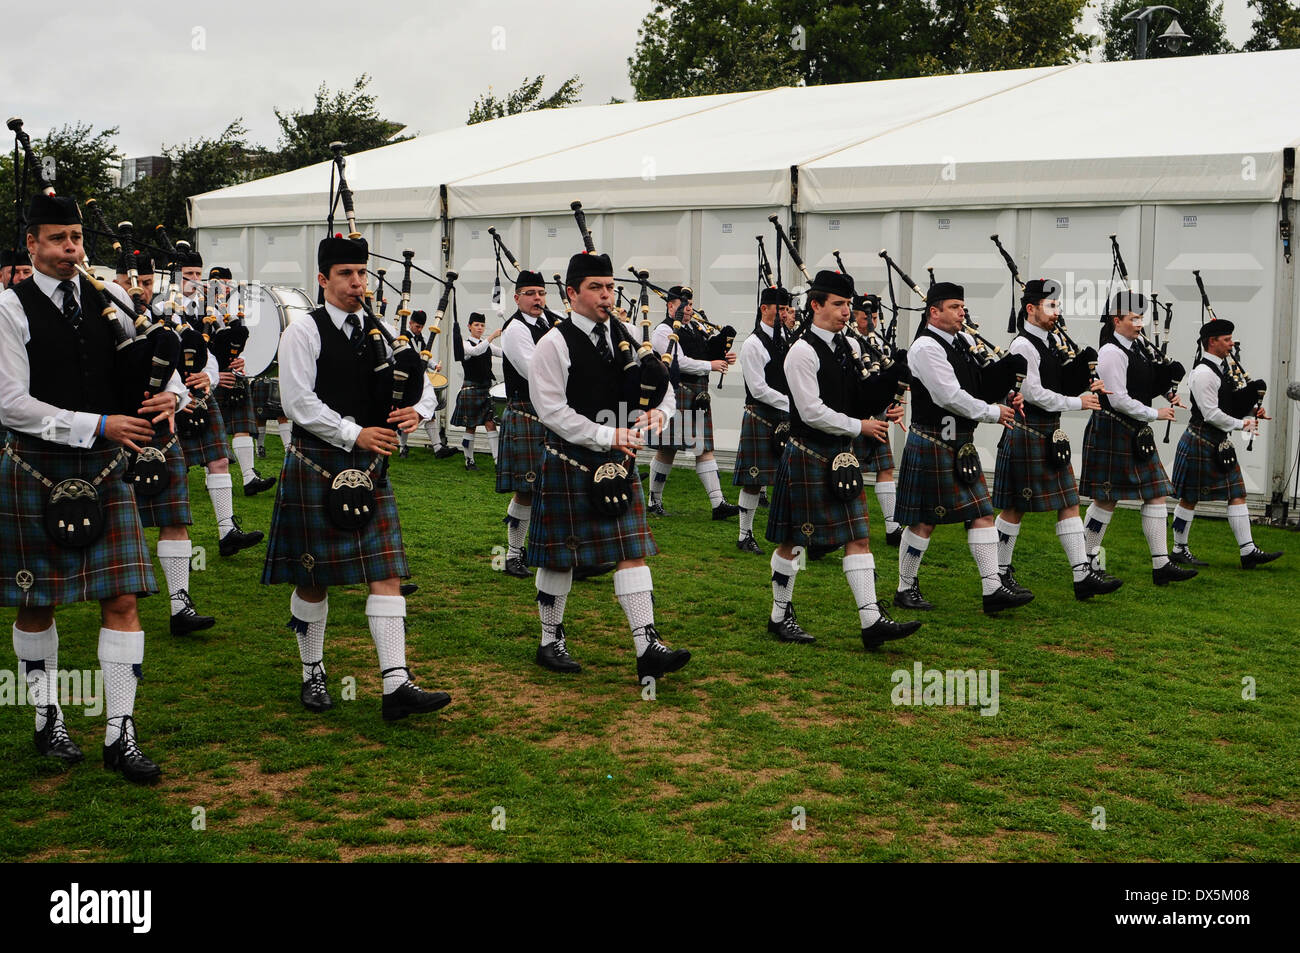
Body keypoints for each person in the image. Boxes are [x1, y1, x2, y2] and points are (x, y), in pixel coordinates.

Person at [1, 193, 184, 782]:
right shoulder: (10, 308)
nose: (70, 249)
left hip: (104, 471)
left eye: (76, 238)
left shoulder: (112, 300)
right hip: (38, 466)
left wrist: (169, 397)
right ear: (31, 244)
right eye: (57, 239)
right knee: (37, 602)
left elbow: (159, 360)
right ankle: (46, 713)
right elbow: (10, 403)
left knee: (124, 600)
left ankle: (119, 731)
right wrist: (98, 424)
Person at [262, 235, 450, 720]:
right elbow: (297, 402)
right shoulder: (303, 331)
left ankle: (396, 683)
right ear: (323, 279)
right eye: (346, 274)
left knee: (385, 572)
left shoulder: (382, 330)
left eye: (362, 274)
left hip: (368, 471)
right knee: (313, 578)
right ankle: (313, 671)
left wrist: (418, 412)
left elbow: (424, 382)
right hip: (317, 465)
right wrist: (355, 433)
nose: (357, 283)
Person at [526, 250, 690, 680]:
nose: (606, 295)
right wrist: (607, 434)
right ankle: (550, 639)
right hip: (570, 459)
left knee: (631, 551)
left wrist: (662, 413)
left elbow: (662, 385)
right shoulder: (554, 343)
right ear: (572, 293)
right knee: (561, 557)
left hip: (618, 461)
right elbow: (551, 410)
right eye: (596, 288)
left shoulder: (629, 336)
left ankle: (647, 645)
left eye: (611, 287)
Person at [765, 270, 922, 649]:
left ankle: (871, 620)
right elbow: (811, 411)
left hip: (840, 457)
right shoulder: (801, 352)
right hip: (808, 455)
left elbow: (854, 395)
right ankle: (779, 614)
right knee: (794, 544)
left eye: (848, 305)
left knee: (859, 538)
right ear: (815, 305)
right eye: (838, 304)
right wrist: (860, 426)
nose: (845, 312)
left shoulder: (846, 346)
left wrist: (890, 385)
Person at [893, 282, 1033, 614]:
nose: (962, 312)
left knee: (982, 514)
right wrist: (993, 413)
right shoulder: (926, 348)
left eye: (962, 306)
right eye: (955, 307)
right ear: (934, 312)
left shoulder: (963, 341)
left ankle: (992, 589)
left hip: (959, 442)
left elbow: (978, 384)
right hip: (932, 439)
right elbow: (949, 396)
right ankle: (905, 587)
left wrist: (1005, 394)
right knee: (923, 522)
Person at [991, 279, 1120, 600]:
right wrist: (1080, 402)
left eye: (1057, 306)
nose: (1056, 312)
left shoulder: (1051, 343)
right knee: (1014, 508)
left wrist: (1086, 376)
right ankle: (999, 572)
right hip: (1028, 431)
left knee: (1068, 503)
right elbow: (1032, 393)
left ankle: (1082, 575)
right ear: (1030, 309)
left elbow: (1059, 383)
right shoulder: (1023, 345)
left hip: (1050, 433)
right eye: (1050, 306)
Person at [111, 249, 216, 635]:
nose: (136, 291)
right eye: (127, 284)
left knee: (174, 517)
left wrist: (177, 396)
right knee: (122, 525)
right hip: (112, 431)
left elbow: (187, 363)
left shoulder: (159, 318)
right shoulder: (100, 320)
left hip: (158, 427)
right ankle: (120, 602)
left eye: (142, 283)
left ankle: (180, 606)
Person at [1079, 291, 1198, 586]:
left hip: (1134, 431)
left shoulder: (1138, 349)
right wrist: (1155, 414)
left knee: (1156, 494)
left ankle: (1162, 565)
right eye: (1133, 318)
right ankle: (1086, 561)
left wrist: (1168, 390)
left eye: (1141, 318)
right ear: (1116, 320)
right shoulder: (1111, 353)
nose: (1139, 323)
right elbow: (1118, 398)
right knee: (1106, 499)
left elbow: (1144, 382)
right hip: (1113, 428)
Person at [162, 249, 264, 558]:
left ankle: (227, 531)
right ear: (175, 278)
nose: (195, 281)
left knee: (219, 459)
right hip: (169, 400)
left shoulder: (208, 313)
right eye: (188, 275)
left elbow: (212, 358)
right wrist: (178, 387)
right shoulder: (162, 310)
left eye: (197, 274)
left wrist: (214, 376)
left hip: (200, 395)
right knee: (164, 472)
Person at [1169, 318, 1282, 569]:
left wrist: (1252, 411)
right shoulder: (1203, 374)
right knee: (1189, 498)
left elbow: (1226, 404)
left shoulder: (1221, 369)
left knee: (1237, 493)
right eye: (1227, 340)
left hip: (1217, 441)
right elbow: (1211, 414)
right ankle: (1178, 549)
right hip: (1200, 439)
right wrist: (1243, 425)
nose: (1231, 344)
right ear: (1212, 342)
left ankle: (1248, 551)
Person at [647, 286, 740, 520]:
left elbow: (705, 351)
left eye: (689, 304)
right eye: (683, 304)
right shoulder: (662, 331)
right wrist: (711, 365)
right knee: (667, 449)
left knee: (701, 447)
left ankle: (718, 503)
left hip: (697, 395)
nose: (688, 309)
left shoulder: (695, 328)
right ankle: (654, 501)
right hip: (678, 393)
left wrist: (722, 354)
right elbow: (679, 362)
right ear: (670, 306)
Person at [496, 272, 551, 577]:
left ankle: (560, 554)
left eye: (541, 292)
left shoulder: (547, 325)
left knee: (553, 488)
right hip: (527, 414)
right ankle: (513, 555)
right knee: (526, 490)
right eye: (530, 293)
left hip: (549, 414)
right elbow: (534, 372)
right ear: (517, 298)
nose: (537, 298)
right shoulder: (515, 329)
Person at [731, 286, 791, 554]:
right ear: (764, 309)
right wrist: (794, 404)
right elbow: (758, 389)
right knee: (754, 481)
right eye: (778, 309)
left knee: (790, 479)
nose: (783, 314)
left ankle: (792, 535)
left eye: (786, 309)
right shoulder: (753, 344)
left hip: (785, 418)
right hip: (761, 415)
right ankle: (745, 535)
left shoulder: (787, 340)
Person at [208, 267, 275, 496]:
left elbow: (247, 341)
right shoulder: (199, 309)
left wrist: (242, 359)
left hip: (234, 373)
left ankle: (249, 478)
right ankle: (212, 476)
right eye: (218, 283)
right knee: (210, 432)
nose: (223, 288)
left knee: (242, 425)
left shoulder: (236, 310)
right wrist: (215, 372)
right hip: (209, 375)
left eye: (227, 283)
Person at [850, 294, 903, 547]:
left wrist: (894, 407)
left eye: (874, 317)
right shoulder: (849, 342)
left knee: (885, 469)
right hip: (855, 417)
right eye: (865, 316)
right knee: (849, 470)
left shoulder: (881, 345)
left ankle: (892, 528)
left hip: (879, 417)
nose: (870, 322)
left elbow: (891, 382)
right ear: (854, 315)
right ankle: (846, 527)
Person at [396, 309, 456, 459]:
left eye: (421, 326)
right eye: (417, 326)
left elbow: (425, 357)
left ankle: (437, 448)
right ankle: (402, 447)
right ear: (410, 323)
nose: (419, 329)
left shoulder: (422, 339)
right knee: (407, 413)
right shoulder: (403, 338)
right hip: (408, 379)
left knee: (430, 410)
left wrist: (434, 365)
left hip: (421, 379)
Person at [449, 312, 502, 471]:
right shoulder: (465, 345)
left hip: (485, 390)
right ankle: (469, 460)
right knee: (470, 427)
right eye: (477, 325)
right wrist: (492, 336)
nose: (480, 328)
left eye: (482, 325)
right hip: (471, 390)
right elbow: (476, 351)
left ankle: (498, 462)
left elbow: (503, 353)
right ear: (469, 327)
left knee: (491, 424)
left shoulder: (487, 345)